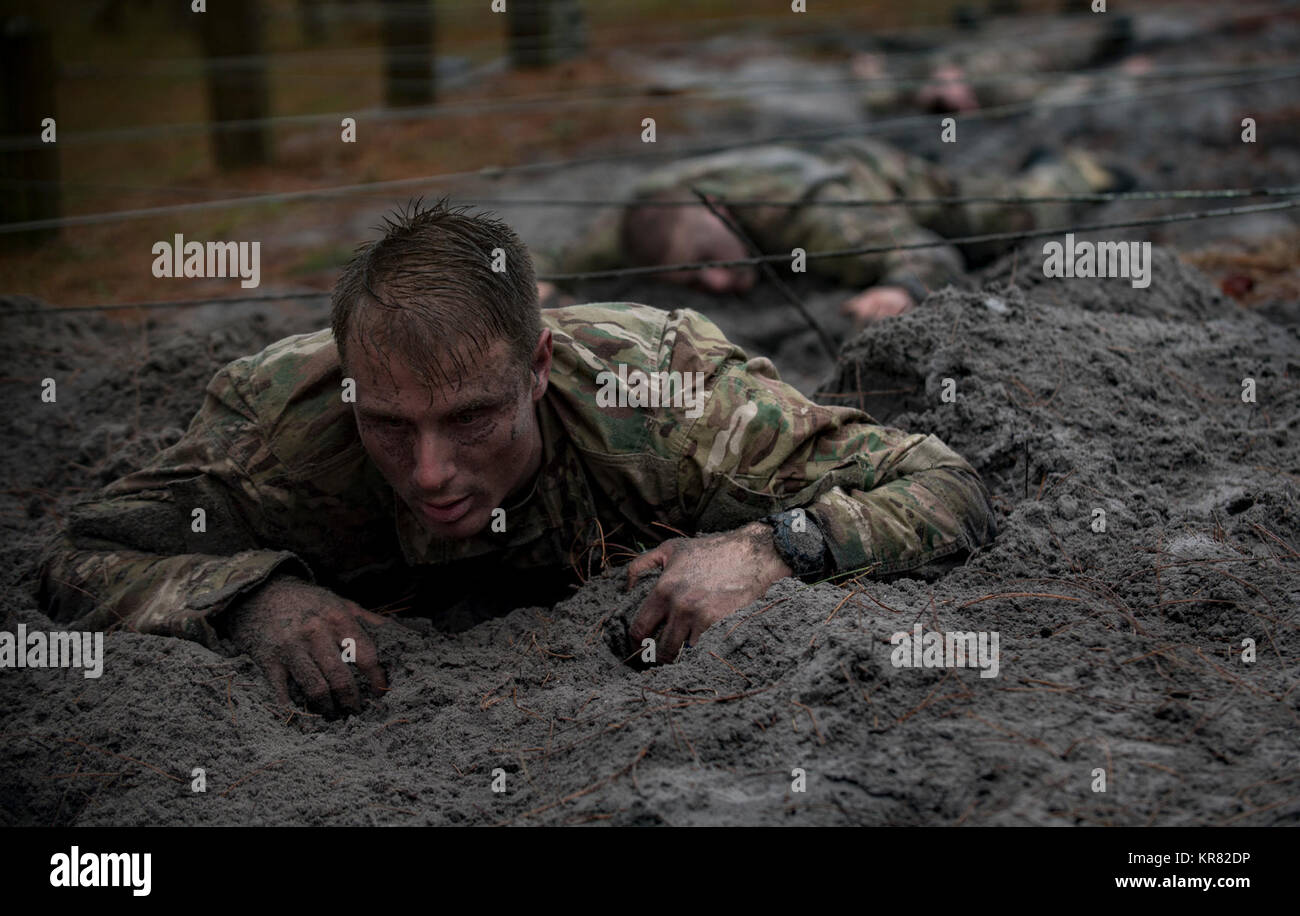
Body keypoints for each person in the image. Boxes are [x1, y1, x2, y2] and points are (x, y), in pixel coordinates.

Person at [38, 199, 997, 716]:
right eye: (389, 424)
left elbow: (943, 483)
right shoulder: (280, 433)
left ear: (538, 369)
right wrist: (254, 598)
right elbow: (83, 554)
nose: (428, 474)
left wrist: (771, 549)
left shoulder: (665, 399)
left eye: (468, 420)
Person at [558, 138, 1125, 323]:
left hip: (872, 175)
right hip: (793, 166)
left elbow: (930, 253)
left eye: (712, 257)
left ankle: (1083, 166)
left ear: (724, 215)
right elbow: (549, 259)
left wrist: (898, 289)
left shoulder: (813, 219)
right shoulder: (641, 223)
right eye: (691, 277)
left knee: (1001, 219)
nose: (715, 281)